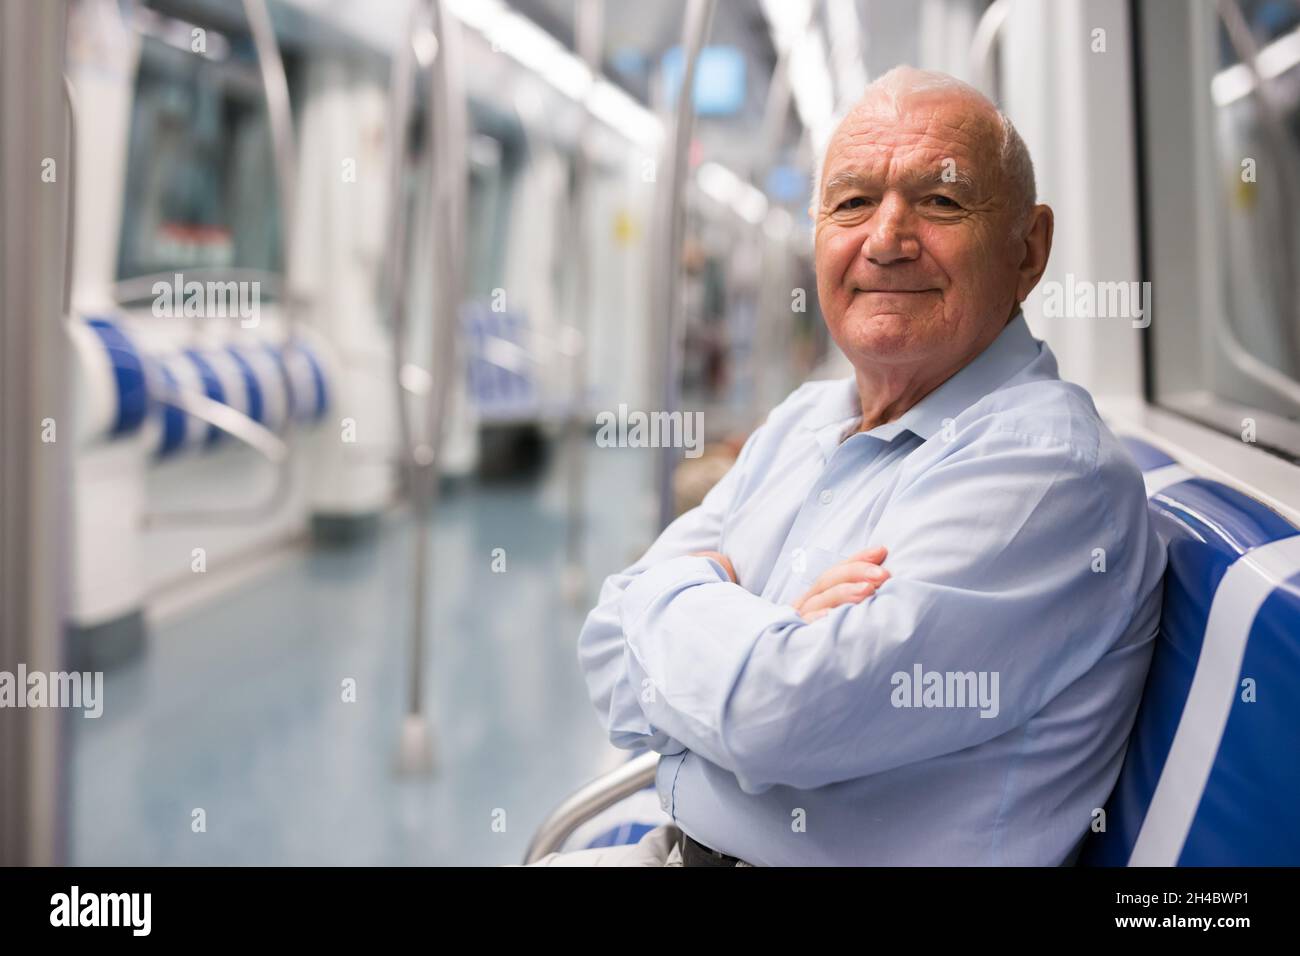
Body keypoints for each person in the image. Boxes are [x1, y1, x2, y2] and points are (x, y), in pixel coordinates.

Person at [533, 66, 1166, 866]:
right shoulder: (808, 418)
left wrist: (690, 597)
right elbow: (608, 650)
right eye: (853, 202)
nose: (886, 240)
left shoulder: (1048, 473)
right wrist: (757, 633)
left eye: (939, 201)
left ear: (1027, 249)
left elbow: (778, 716)